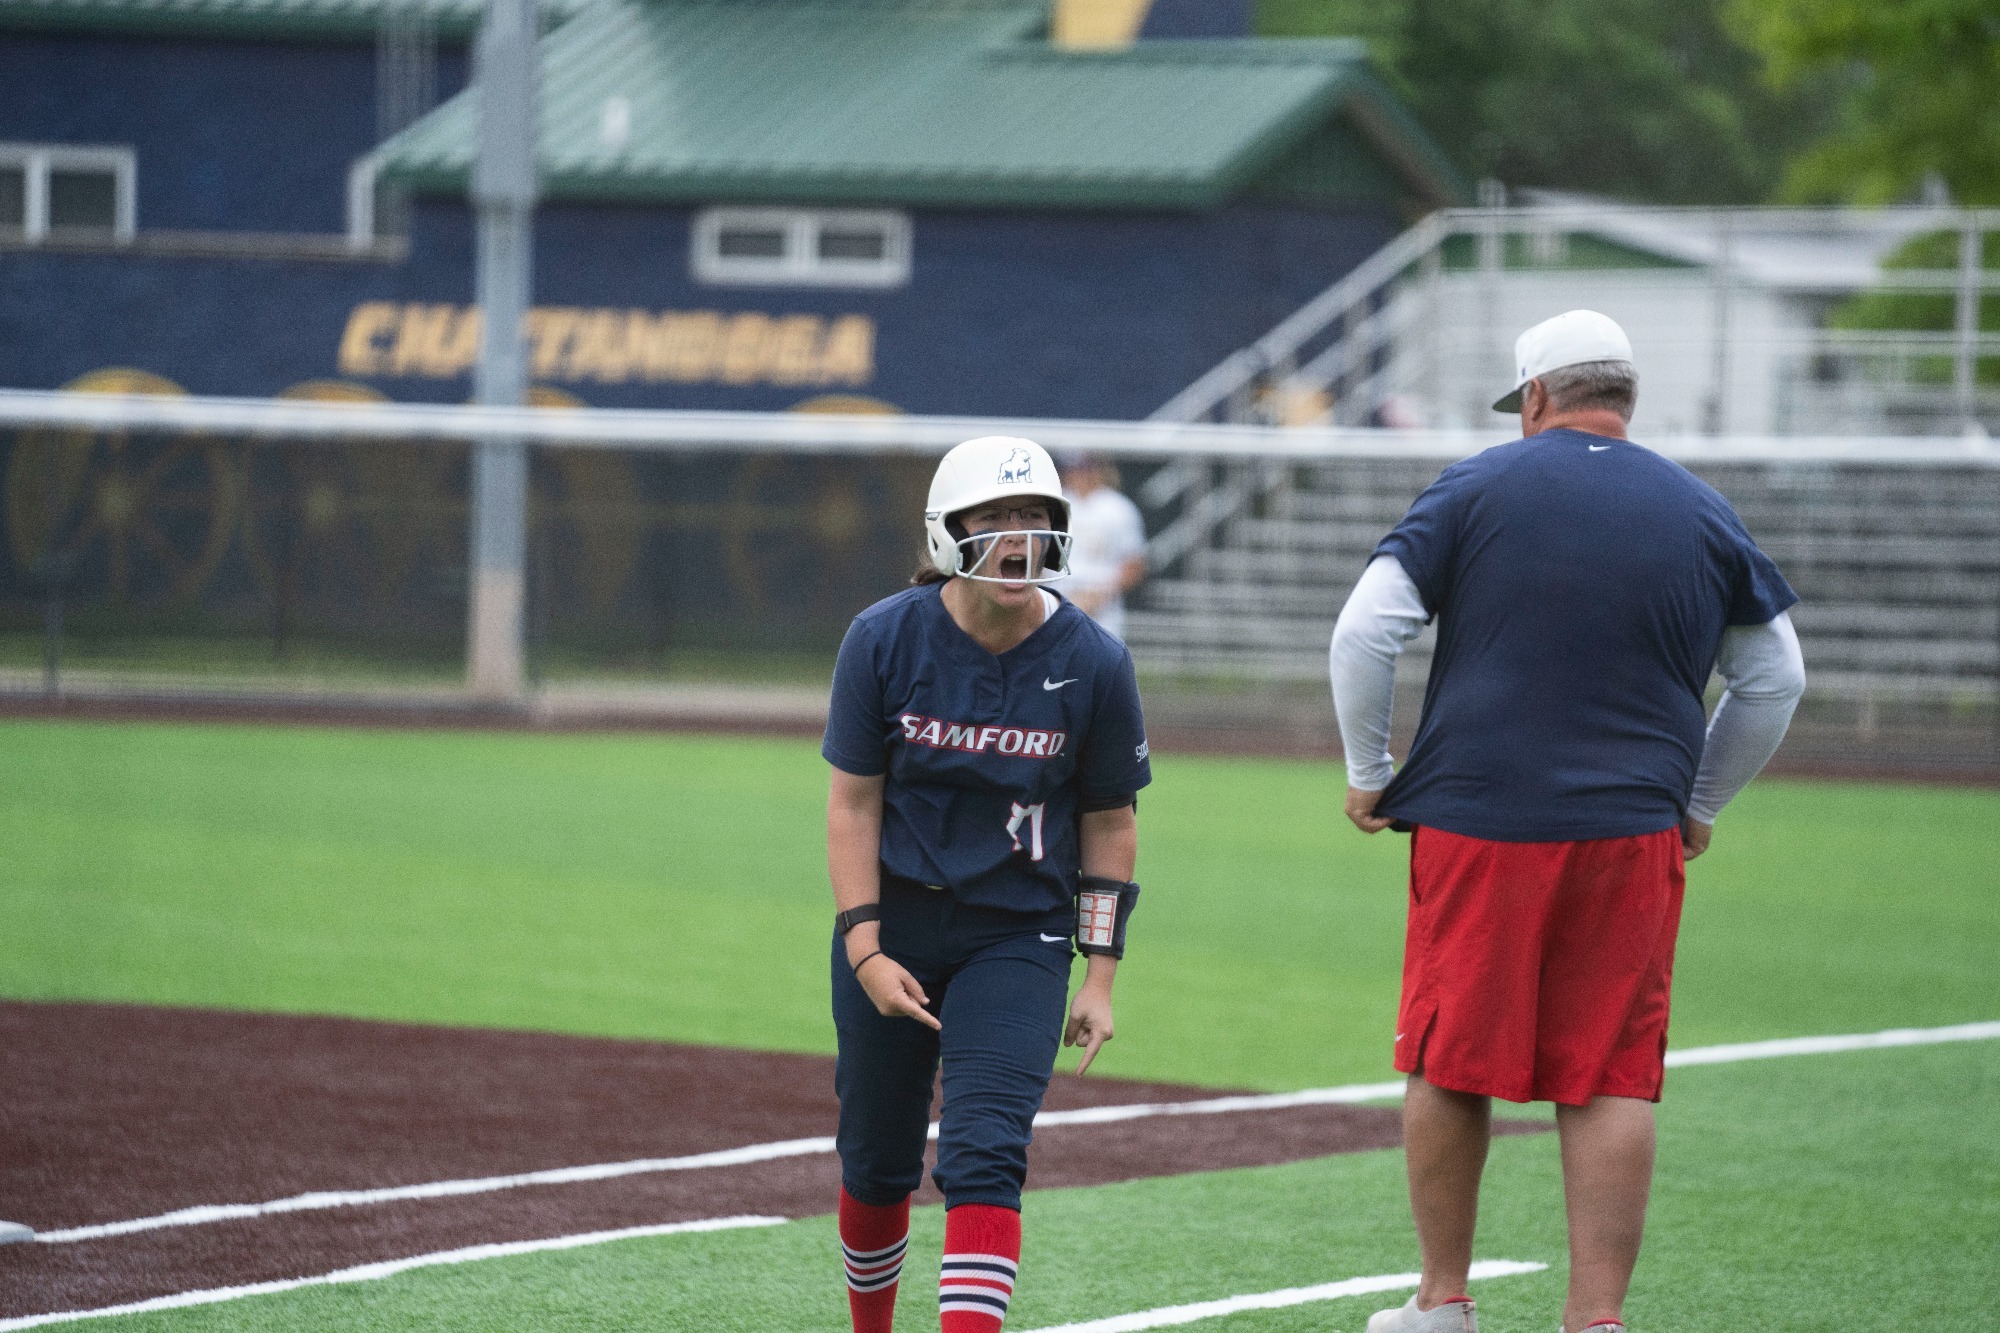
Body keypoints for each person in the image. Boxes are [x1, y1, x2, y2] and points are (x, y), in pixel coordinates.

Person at [1328, 310, 1805, 1333]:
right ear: (1622, 397)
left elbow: (1365, 628)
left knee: (1451, 1060)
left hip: (1474, 820)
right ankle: (1593, 1321)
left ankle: (1441, 1304)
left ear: (1535, 398)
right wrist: (1695, 800)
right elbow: (1774, 677)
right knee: (1606, 1075)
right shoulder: (1697, 507)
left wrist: (1369, 771)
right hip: (1629, 832)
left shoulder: (1472, 486)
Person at [822, 435, 1151, 1333]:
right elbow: (852, 804)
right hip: (896, 925)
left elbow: (1109, 822)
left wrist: (1101, 970)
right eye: (996, 520)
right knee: (877, 1162)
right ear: (946, 533)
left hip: (1020, 935)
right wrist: (866, 944)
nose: (1021, 540)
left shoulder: (1094, 661)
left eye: (1039, 519)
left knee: (985, 1154)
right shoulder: (882, 638)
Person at [1054, 452, 1147, 641]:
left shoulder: (1119, 508)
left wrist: (1097, 596)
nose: (1079, 475)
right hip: (1058, 597)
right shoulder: (1056, 505)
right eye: (1073, 469)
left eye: (1084, 468)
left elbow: (1134, 564)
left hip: (1103, 603)